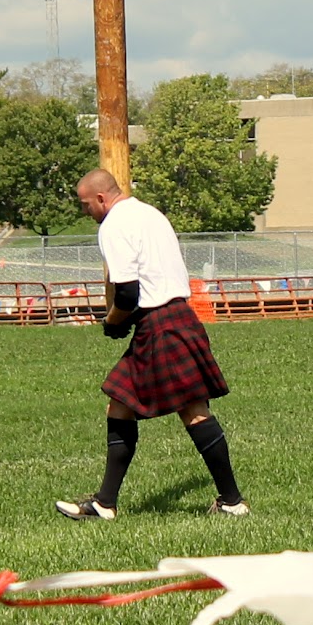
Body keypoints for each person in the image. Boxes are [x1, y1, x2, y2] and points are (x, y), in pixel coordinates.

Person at [55, 169, 249, 521]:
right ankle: (105, 503)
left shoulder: (113, 225)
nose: (86, 212)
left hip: (159, 325)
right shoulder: (151, 214)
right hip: (179, 317)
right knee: (121, 400)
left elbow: (127, 292)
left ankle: (232, 501)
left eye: (86, 205)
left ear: (101, 198)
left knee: (193, 411)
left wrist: (113, 322)